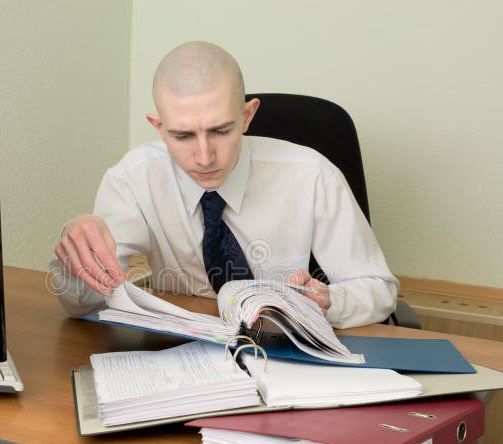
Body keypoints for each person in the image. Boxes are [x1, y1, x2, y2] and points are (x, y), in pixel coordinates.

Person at [49, 41, 398, 328]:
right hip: (182, 357)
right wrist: (77, 252)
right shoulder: (132, 179)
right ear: (158, 127)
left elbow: (380, 290)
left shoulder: (314, 175)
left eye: (220, 130)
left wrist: (330, 302)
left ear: (247, 116)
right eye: (182, 135)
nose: (204, 156)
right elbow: (83, 305)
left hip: (289, 353)